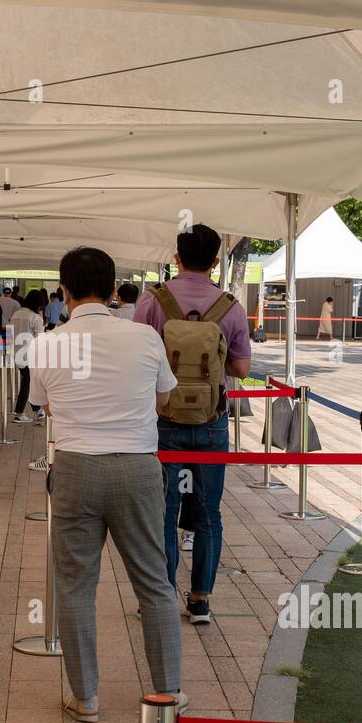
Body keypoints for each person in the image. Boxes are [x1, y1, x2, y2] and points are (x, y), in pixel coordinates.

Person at [30, 246, 186, 722]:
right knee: (154, 583)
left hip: (76, 466)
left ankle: (87, 698)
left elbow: (45, 405)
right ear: (114, 287)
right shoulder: (144, 337)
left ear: (64, 290)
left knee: (76, 586)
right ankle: (168, 694)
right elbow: (164, 395)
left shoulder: (47, 342)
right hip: (138, 467)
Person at [135, 223, 252, 624]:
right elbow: (241, 366)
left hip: (162, 419)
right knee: (208, 513)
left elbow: (137, 360)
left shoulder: (153, 303)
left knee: (163, 511)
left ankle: (162, 596)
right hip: (210, 422)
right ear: (216, 261)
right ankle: (200, 598)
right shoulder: (230, 307)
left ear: (176, 257)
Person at [10, 289, 46, 423]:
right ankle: (19, 413)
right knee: (28, 382)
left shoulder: (16, 314)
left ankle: (37, 411)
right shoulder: (35, 317)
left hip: (16, 352)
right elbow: (39, 338)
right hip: (30, 354)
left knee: (29, 381)